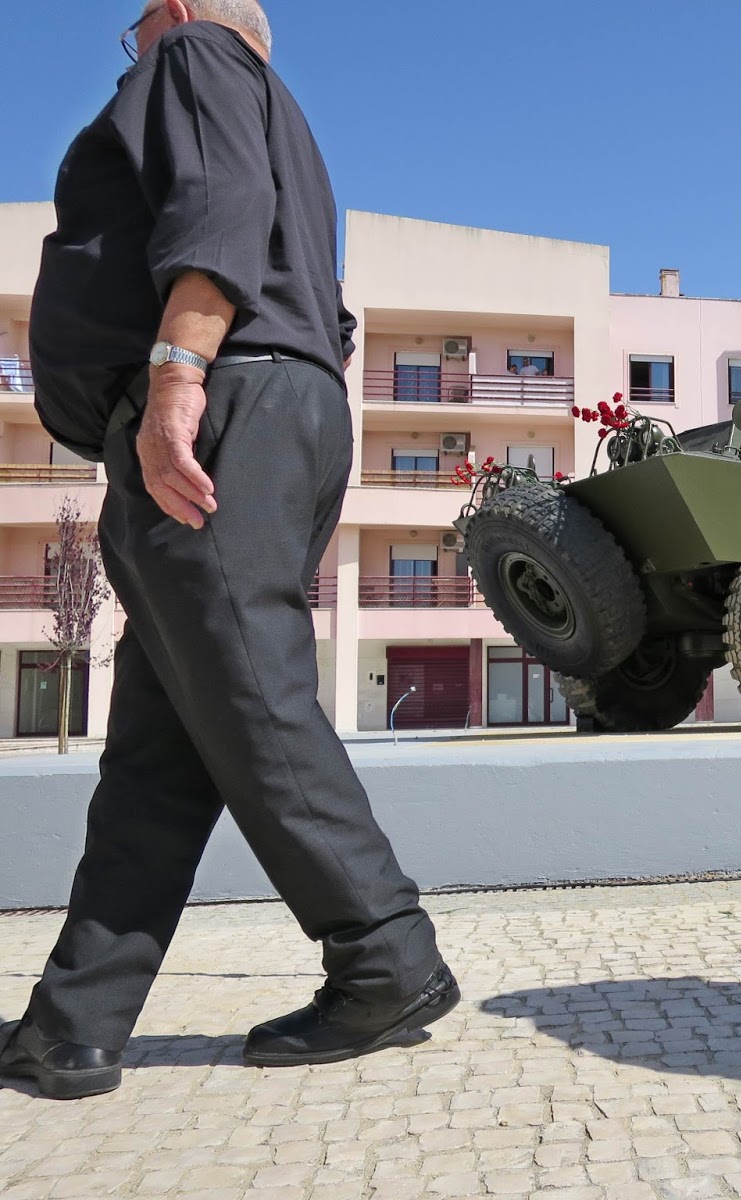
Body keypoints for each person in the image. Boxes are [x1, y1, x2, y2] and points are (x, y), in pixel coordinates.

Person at [2, 0, 457, 1102]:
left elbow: (218, 207)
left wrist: (176, 377)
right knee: (161, 746)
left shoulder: (193, 55)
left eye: (135, 32)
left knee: (250, 691)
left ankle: (386, 956)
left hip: (221, 401)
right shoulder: (273, 102)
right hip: (268, 401)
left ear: (171, 10)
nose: (133, 50)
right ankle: (73, 1026)